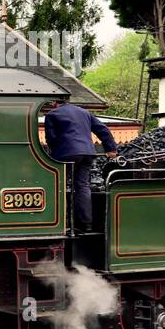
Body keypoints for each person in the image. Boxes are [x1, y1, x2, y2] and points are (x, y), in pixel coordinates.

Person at [43, 98, 118, 233]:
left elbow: (51, 139)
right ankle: (86, 224)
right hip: (87, 153)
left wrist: (53, 154)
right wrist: (110, 149)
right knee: (83, 186)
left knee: (58, 186)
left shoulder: (51, 115)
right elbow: (102, 129)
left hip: (66, 154)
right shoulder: (84, 112)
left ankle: (62, 222)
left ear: (54, 103)